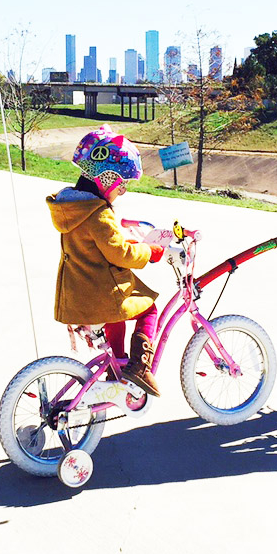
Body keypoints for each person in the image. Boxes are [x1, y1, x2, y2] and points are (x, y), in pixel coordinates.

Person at [47, 126, 166, 396]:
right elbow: (119, 254)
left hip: (78, 294)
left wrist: (128, 243)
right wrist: (150, 251)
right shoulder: (98, 214)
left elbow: (100, 247)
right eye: (122, 184)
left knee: (116, 316)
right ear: (106, 178)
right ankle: (139, 367)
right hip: (98, 295)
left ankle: (117, 366)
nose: (122, 191)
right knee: (149, 309)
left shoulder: (71, 207)